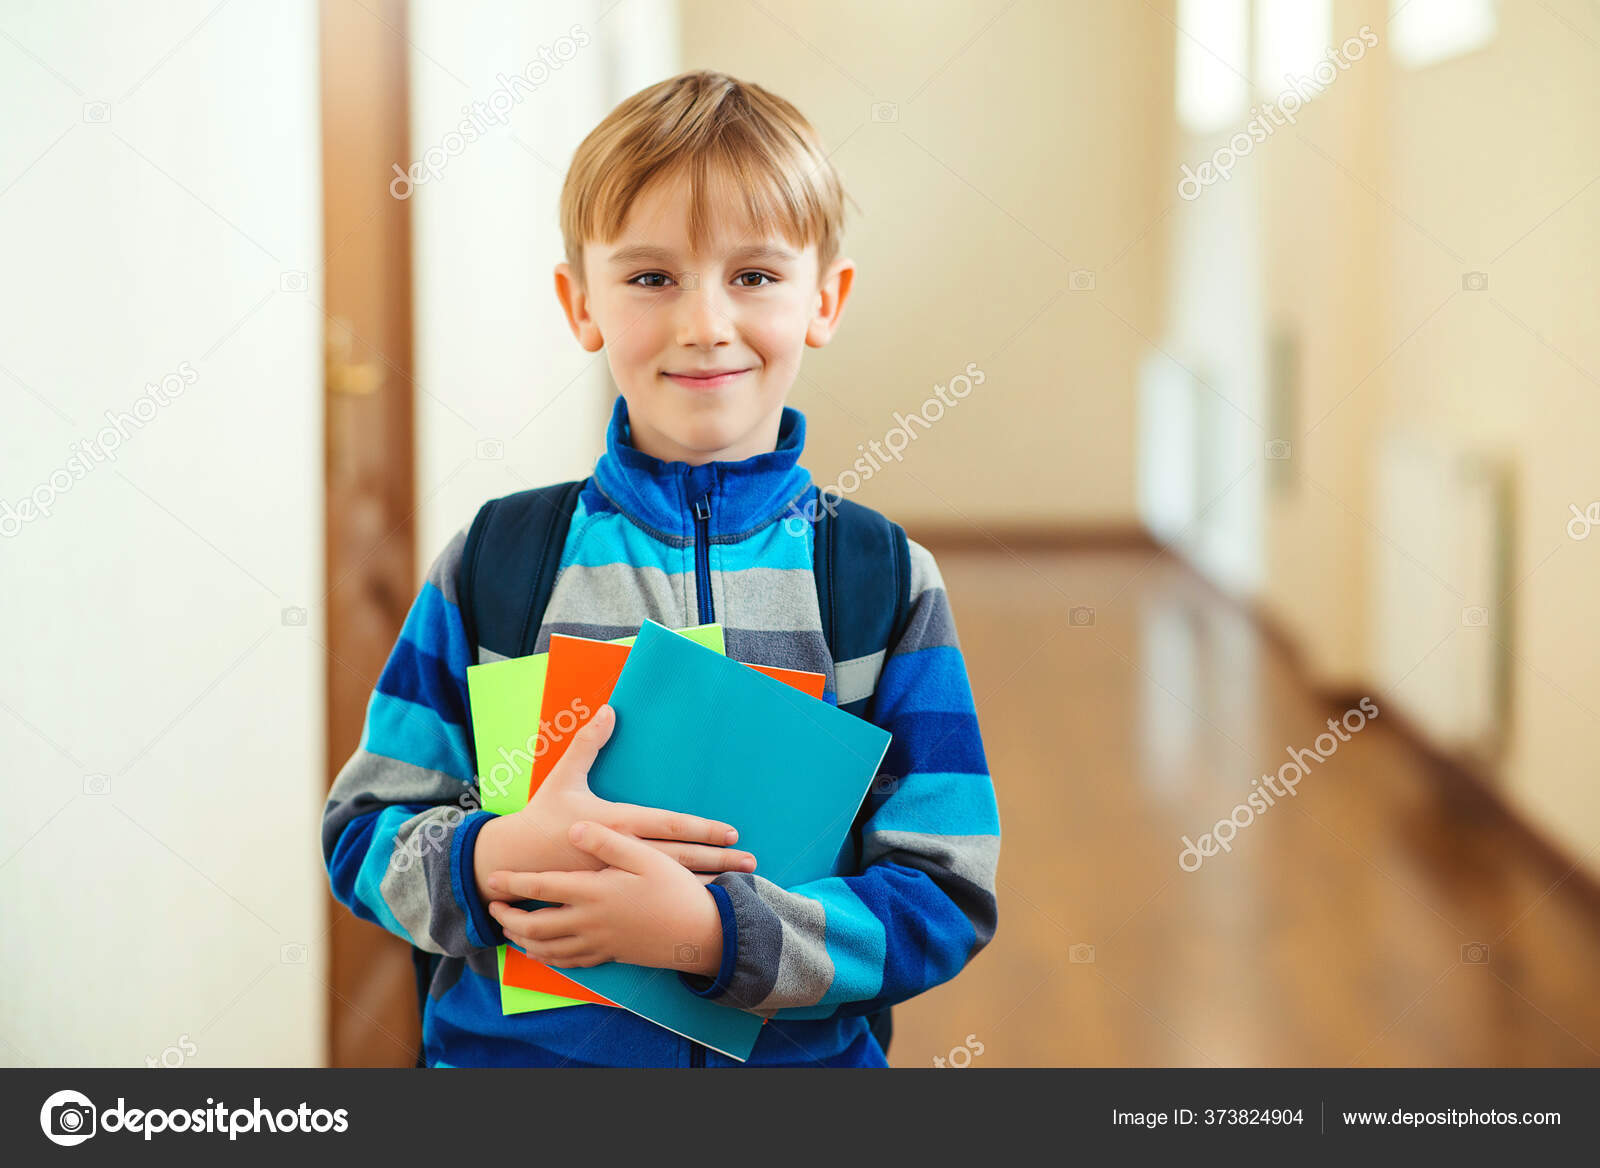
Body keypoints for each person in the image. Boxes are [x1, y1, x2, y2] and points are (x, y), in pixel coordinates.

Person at [322, 69, 999, 1067]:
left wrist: (714, 936)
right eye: (651, 278)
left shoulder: (881, 581)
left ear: (825, 298)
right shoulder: (497, 561)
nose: (704, 324)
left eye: (754, 276)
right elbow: (362, 833)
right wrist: (486, 856)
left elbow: (944, 888)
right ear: (580, 303)